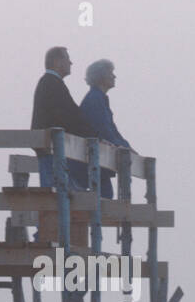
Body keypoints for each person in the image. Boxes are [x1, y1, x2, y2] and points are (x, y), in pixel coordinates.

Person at [30, 46, 93, 190]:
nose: (71, 63)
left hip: (51, 150)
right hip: (51, 151)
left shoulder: (50, 82)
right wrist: (94, 136)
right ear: (58, 61)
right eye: (68, 59)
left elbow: (70, 115)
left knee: (61, 197)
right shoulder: (52, 83)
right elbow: (70, 117)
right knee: (58, 198)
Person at [79, 59, 132, 199]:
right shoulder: (95, 99)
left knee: (105, 198)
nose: (114, 76)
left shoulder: (99, 98)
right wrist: (125, 148)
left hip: (97, 163)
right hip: (90, 164)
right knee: (103, 200)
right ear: (101, 76)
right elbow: (104, 130)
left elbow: (112, 130)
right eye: (111, 73)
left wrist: (127, 147)